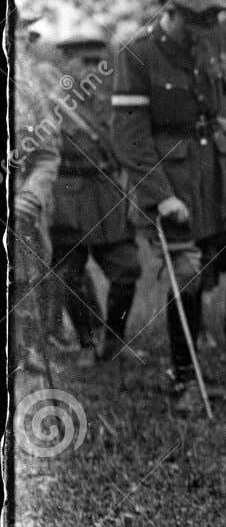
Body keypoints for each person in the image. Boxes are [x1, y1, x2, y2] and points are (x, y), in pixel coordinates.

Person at [112, 0, 226, 411]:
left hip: (207, 175)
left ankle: (189, 371)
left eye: (205, 28)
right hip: (166, 182)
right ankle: (182, 381)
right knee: (187, 271)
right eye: (191, 26)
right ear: (168, 14)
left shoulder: (202, 51)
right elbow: (130, 137)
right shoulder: (136, 55)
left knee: (203, 270)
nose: (198, 36)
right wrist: (160, 197)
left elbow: (214, 109)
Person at [46, 35, 143, 364]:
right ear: (67, 64)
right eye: (83, 62)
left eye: (95, 63)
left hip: (105, 191)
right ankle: (87, 344)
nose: (90, 70)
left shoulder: (108, 100)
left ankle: (113, 341)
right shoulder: (51, 104)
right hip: (68, 193)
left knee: (127, 268)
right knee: (71, 273)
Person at [11, 14, 63, 377]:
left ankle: (21, 350)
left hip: (21, 209)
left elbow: (46, 153)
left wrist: (31, 193)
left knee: (24, 288)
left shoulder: (28, 88)